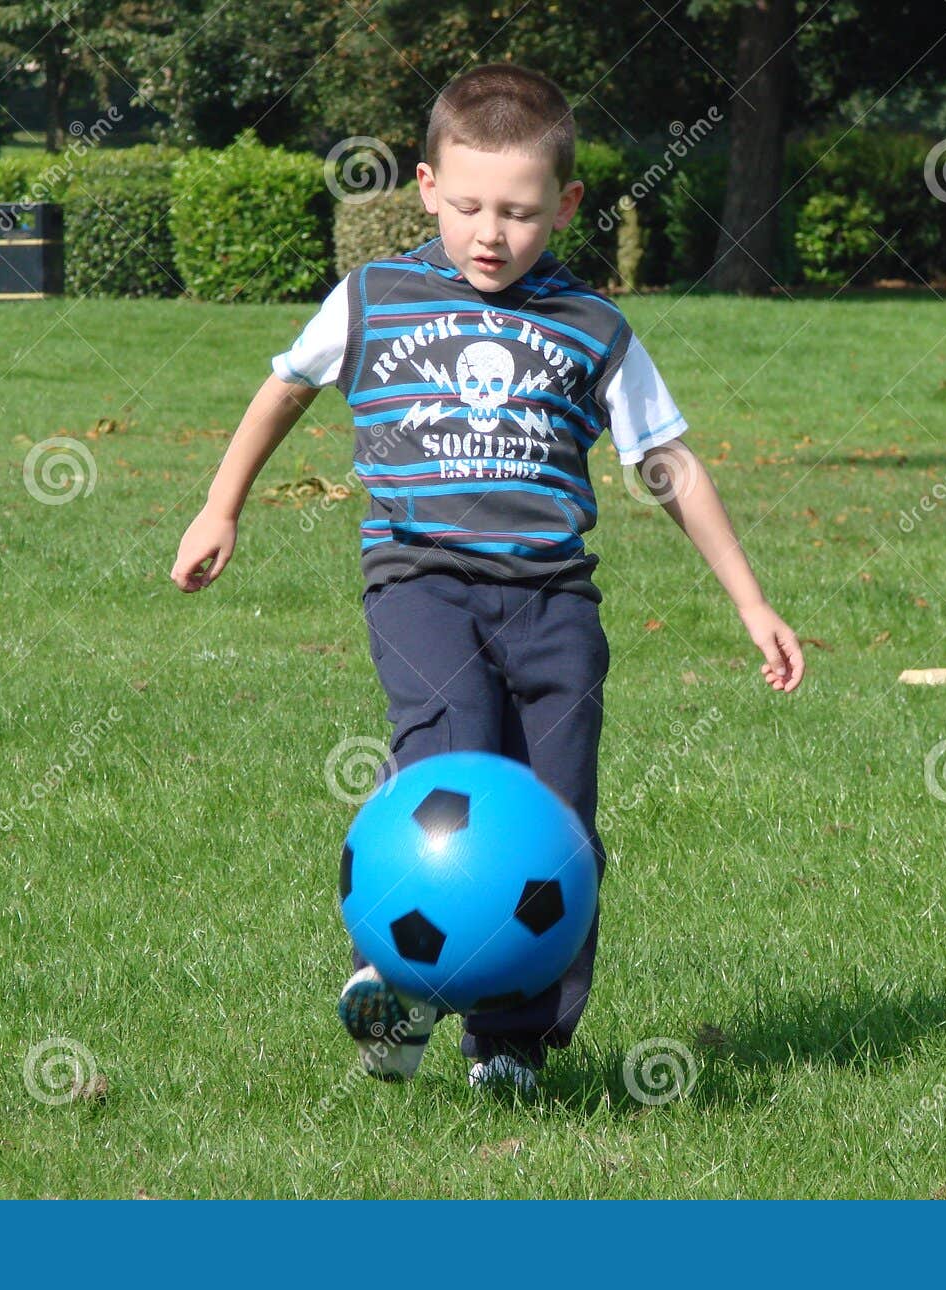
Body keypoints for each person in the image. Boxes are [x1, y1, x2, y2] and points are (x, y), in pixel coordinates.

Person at [171, 62, 804, 1097]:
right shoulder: (374, 296)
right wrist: (221, 504)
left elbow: (668, 464)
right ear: (425, 187)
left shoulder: (591, 327)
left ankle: (511, 1043)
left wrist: (750, 599)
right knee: (445, 766)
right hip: (420, 580)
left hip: (554, 601)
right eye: (467, 206)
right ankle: (403, 979)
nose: (489, 234)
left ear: (566, 205)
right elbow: (285, 387)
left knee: (556, 827)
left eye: (517, 212)